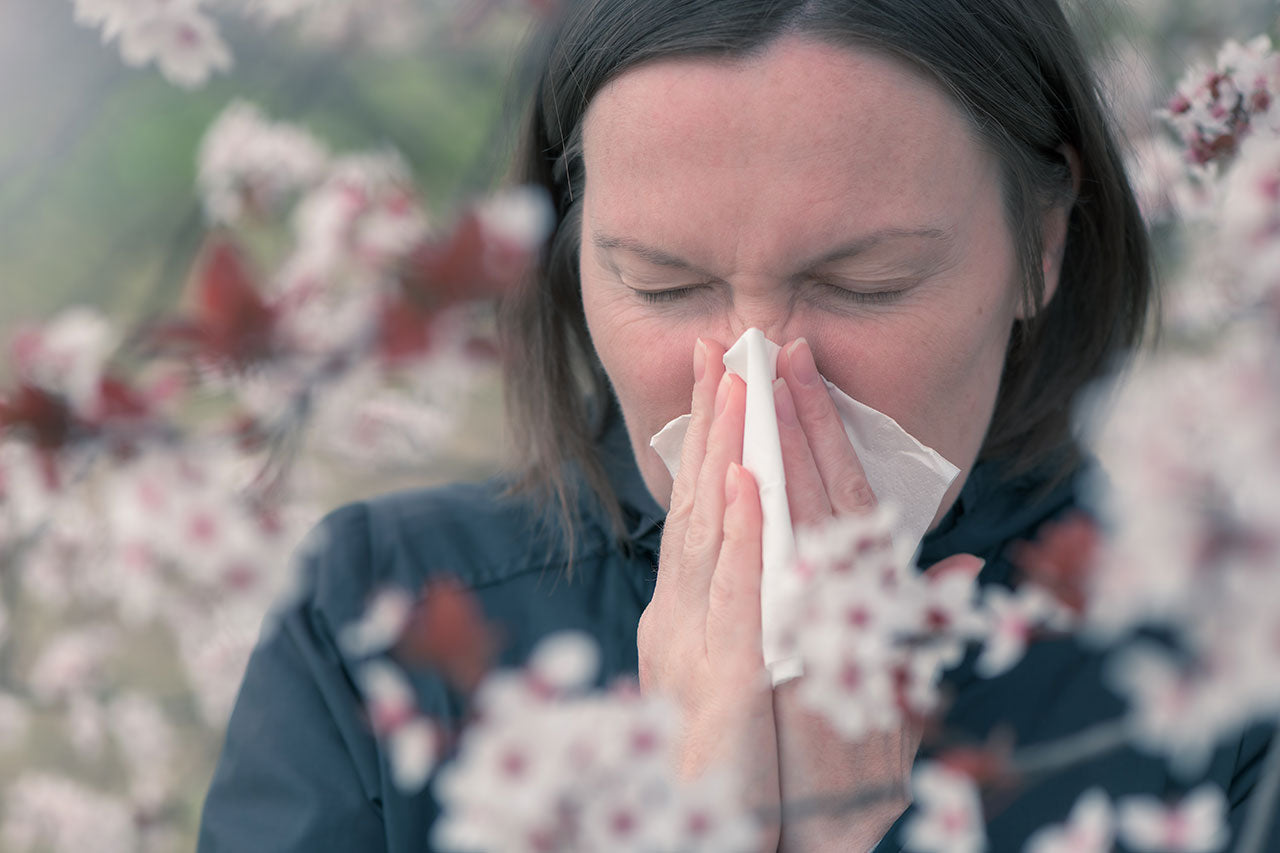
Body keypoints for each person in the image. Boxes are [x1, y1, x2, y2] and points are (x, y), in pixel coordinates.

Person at [198, 1, 1275, 851]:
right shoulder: (376, 615)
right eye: (663, 287)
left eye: (866, 281)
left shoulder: (1231, 649)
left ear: (1040, 241)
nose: (755, 383)